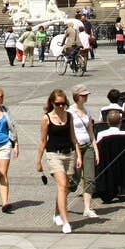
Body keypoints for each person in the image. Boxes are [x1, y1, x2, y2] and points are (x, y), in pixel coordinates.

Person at [36, 89, 77, 233]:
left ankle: (57, 213)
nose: (61, 107)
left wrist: (78, 155)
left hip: (69, 154)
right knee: (62, 185)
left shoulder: (69, 116)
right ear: (52, 103)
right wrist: (38, 161)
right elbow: (42, 141)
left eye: (63, 104)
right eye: (58, 104)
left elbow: (73, 138)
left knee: (65, 189)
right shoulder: (46, 118)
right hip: (53, 154)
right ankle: (66, 222)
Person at [70, 85, 101, 220]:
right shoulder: (69, 112)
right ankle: (60, 203)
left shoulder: (87, 111)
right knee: (73, 180)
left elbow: (91, 132)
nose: (86, 97)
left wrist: (96, 149)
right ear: (77, 96)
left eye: (86, 94)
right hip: (75, 147)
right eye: (83, 95)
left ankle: (87, 208)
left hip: (87, 145)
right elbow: (70, 134)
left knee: (90, 178)